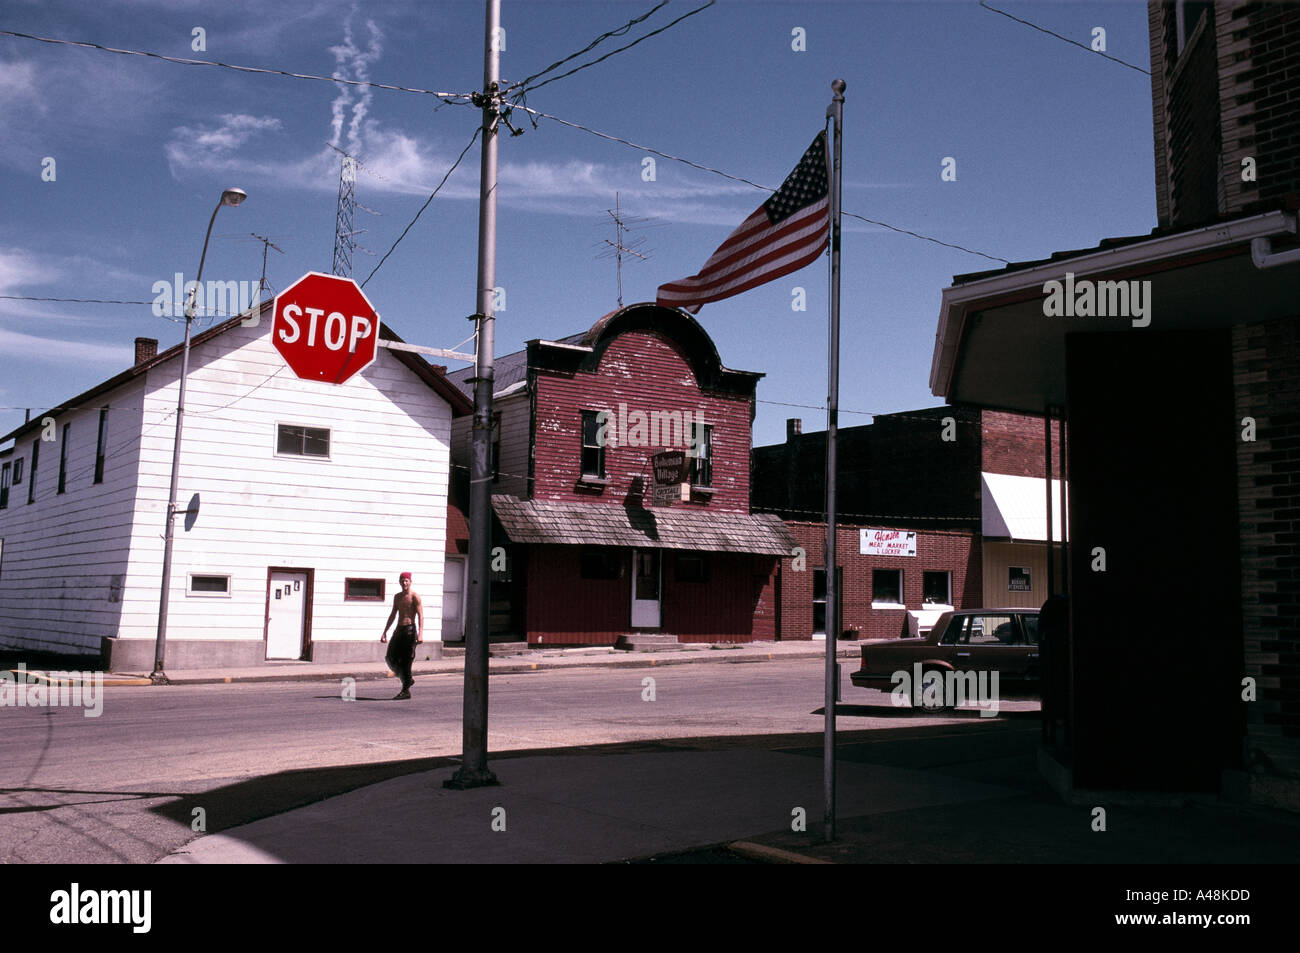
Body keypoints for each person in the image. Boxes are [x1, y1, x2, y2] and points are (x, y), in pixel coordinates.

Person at [381, 571, 423, 700]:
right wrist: (385, 631)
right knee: (390, 657)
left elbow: (421, 615)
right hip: (399, 630)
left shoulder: (414, 596)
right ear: (400, 582)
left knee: (406, 661)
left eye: (406, 580)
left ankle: (405, 690)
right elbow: (393, 614)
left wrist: (420, 634)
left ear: (410, 582)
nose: (404, 583)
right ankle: (408, 679)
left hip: (410, 631)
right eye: (402, 580)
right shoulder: (397, 597)